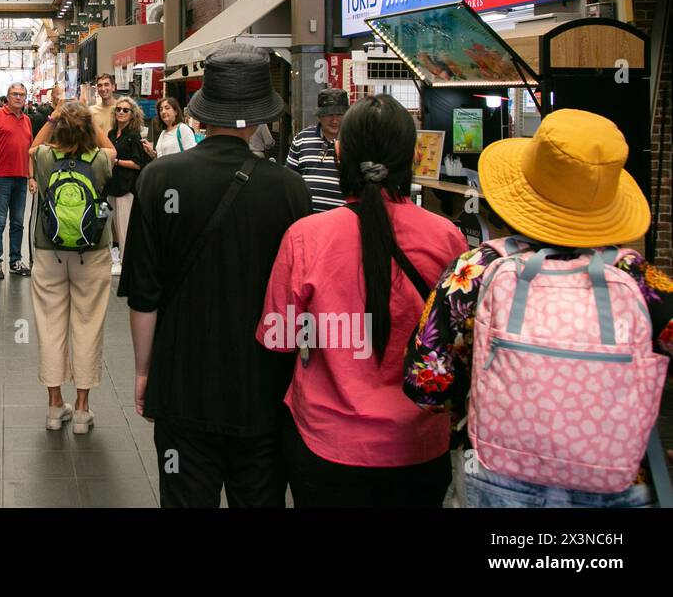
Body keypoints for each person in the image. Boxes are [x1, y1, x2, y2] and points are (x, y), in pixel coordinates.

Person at [403, 109, 673, 507]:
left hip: (497, 472)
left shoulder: (476, 270)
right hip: (615, 477)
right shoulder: (639, 279)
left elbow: (424, 384)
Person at [118, 46, 313, 507]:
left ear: (203, 114)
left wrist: (145, 371)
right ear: (259, 118)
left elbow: (143, 295)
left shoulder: (159, 179)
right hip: (263, 392)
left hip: (182, 385)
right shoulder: (289, 189)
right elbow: (301, 298)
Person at [261, 94, 467, 506]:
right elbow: (459, 341)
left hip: (325, 442)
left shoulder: (305, 237)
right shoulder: (447, 237)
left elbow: (277, 339)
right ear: (412, 157)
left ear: (338, 153)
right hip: (420, 444)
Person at [27, 101, 114, 433]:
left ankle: (53, 407)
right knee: (87, 324)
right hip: (92, 251)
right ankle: (81, 408)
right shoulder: (100, 160)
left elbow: (34, 145)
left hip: (49, 251)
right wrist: (89, 122)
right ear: (88, 128)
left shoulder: (47, 158)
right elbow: (111, 147)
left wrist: (53, 117)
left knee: (50, 326)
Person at [0, 82, 33, 280]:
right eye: (14, 94)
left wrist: (32, 177)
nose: (18, 97)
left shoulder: (27, 120)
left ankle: (15, 260)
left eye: (21, 94)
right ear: (8, 96)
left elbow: (29, 151)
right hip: (1, 178)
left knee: (18, 222)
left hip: (20, 178)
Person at [286, 88, 348, 211]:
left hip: (344, 223)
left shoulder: (356, 141)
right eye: (329, 114)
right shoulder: (302, 139)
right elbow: (289, 180)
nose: (335, 120)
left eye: (340, 114)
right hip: (307, 218)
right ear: (320, 116)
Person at [106, 96, 147, 278]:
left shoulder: (133, 135)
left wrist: (117, 161)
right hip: (112, 185)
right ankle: (117, 257)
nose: (121, 112)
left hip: (126, 187)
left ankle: (126, 262)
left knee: (124, 227)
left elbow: (138, 163)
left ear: (132, 114)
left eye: (125, 110)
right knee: (113, 226)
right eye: (119, 109)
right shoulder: (112, 134)